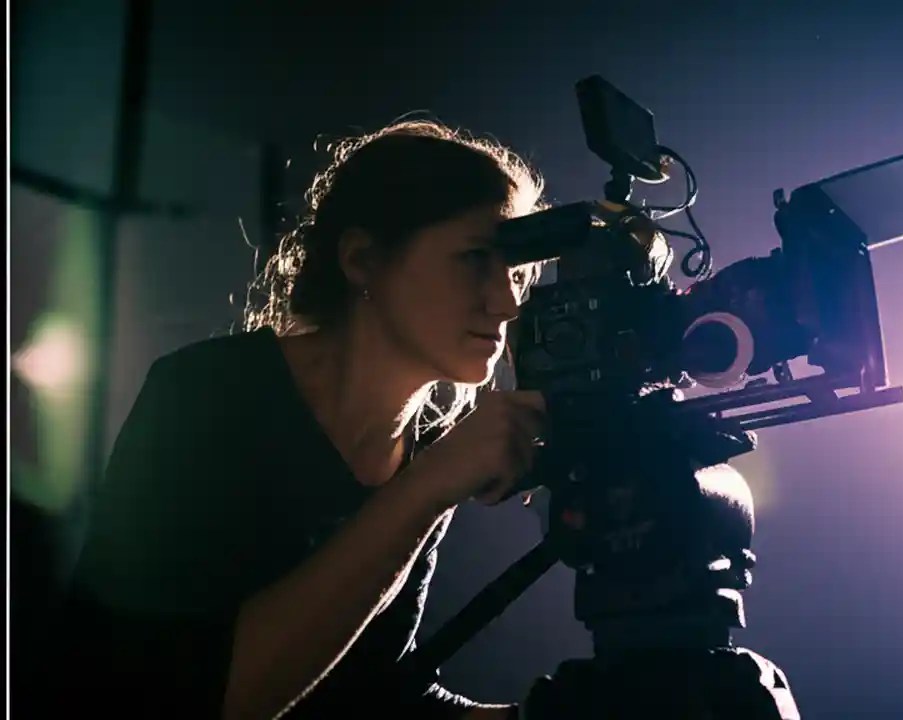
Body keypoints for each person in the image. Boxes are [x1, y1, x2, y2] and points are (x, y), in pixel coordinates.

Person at [54, 119, 551, 718]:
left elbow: (371, 689)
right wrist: (425, 491)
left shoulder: (422, 451)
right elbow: (208, 698)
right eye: (476, 259)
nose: (507, 302)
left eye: (519, 272)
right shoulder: (209, 393)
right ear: (362, 260)